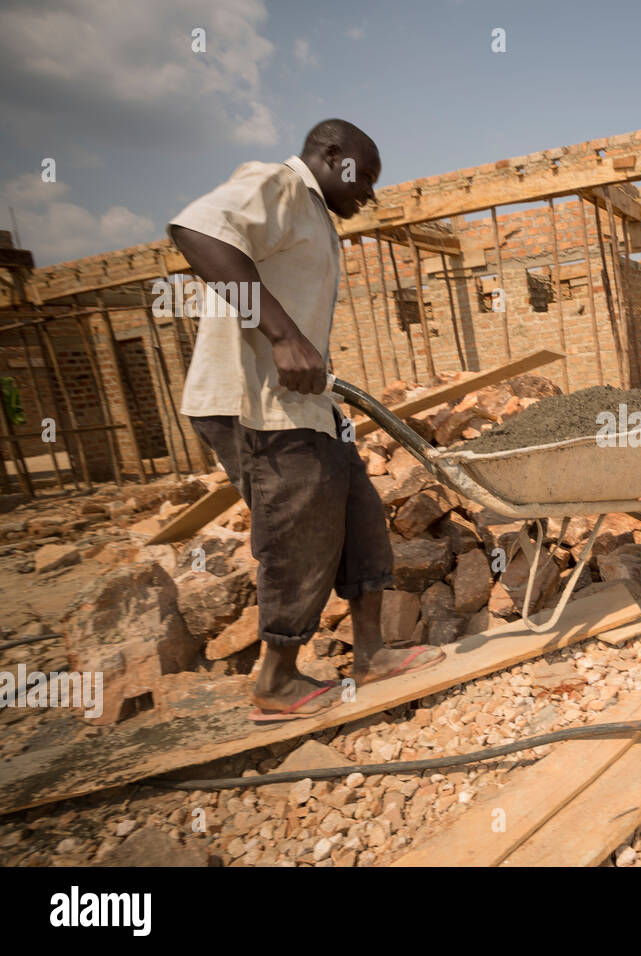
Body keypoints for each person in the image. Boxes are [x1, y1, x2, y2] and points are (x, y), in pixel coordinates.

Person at [168, 119, 444, 722]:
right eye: (363, 176)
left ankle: (370, 654)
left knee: (361, 517)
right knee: (300, 529)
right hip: (253, 404)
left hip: (306, 408)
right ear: (330, 154)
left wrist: (301, 347)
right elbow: (197, 230)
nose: (369, 193)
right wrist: (285, 337)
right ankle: (276, 680)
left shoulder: (316, 218)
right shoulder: (279, 184)